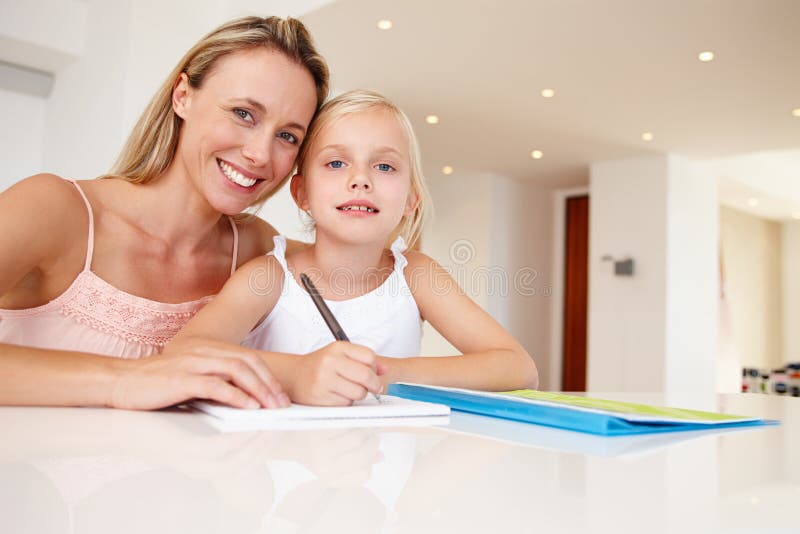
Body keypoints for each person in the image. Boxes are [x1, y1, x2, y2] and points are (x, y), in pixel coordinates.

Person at [0, 16, 329, 410]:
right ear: (183, 96)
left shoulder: (255, 250)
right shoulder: (53, 210)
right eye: (243, 113)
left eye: (287, 136)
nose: (261, 153)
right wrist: (128, 381)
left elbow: (365, 271)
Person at [169, 90, 538, 406]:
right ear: (303, 194)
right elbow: (182, 354)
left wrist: (385, 372)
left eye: (384, 166)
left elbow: (518, 368)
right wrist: (296, 374)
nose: (360, 179)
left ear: (410, 199)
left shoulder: (416, 275)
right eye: (336, 162)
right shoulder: (269, 275)